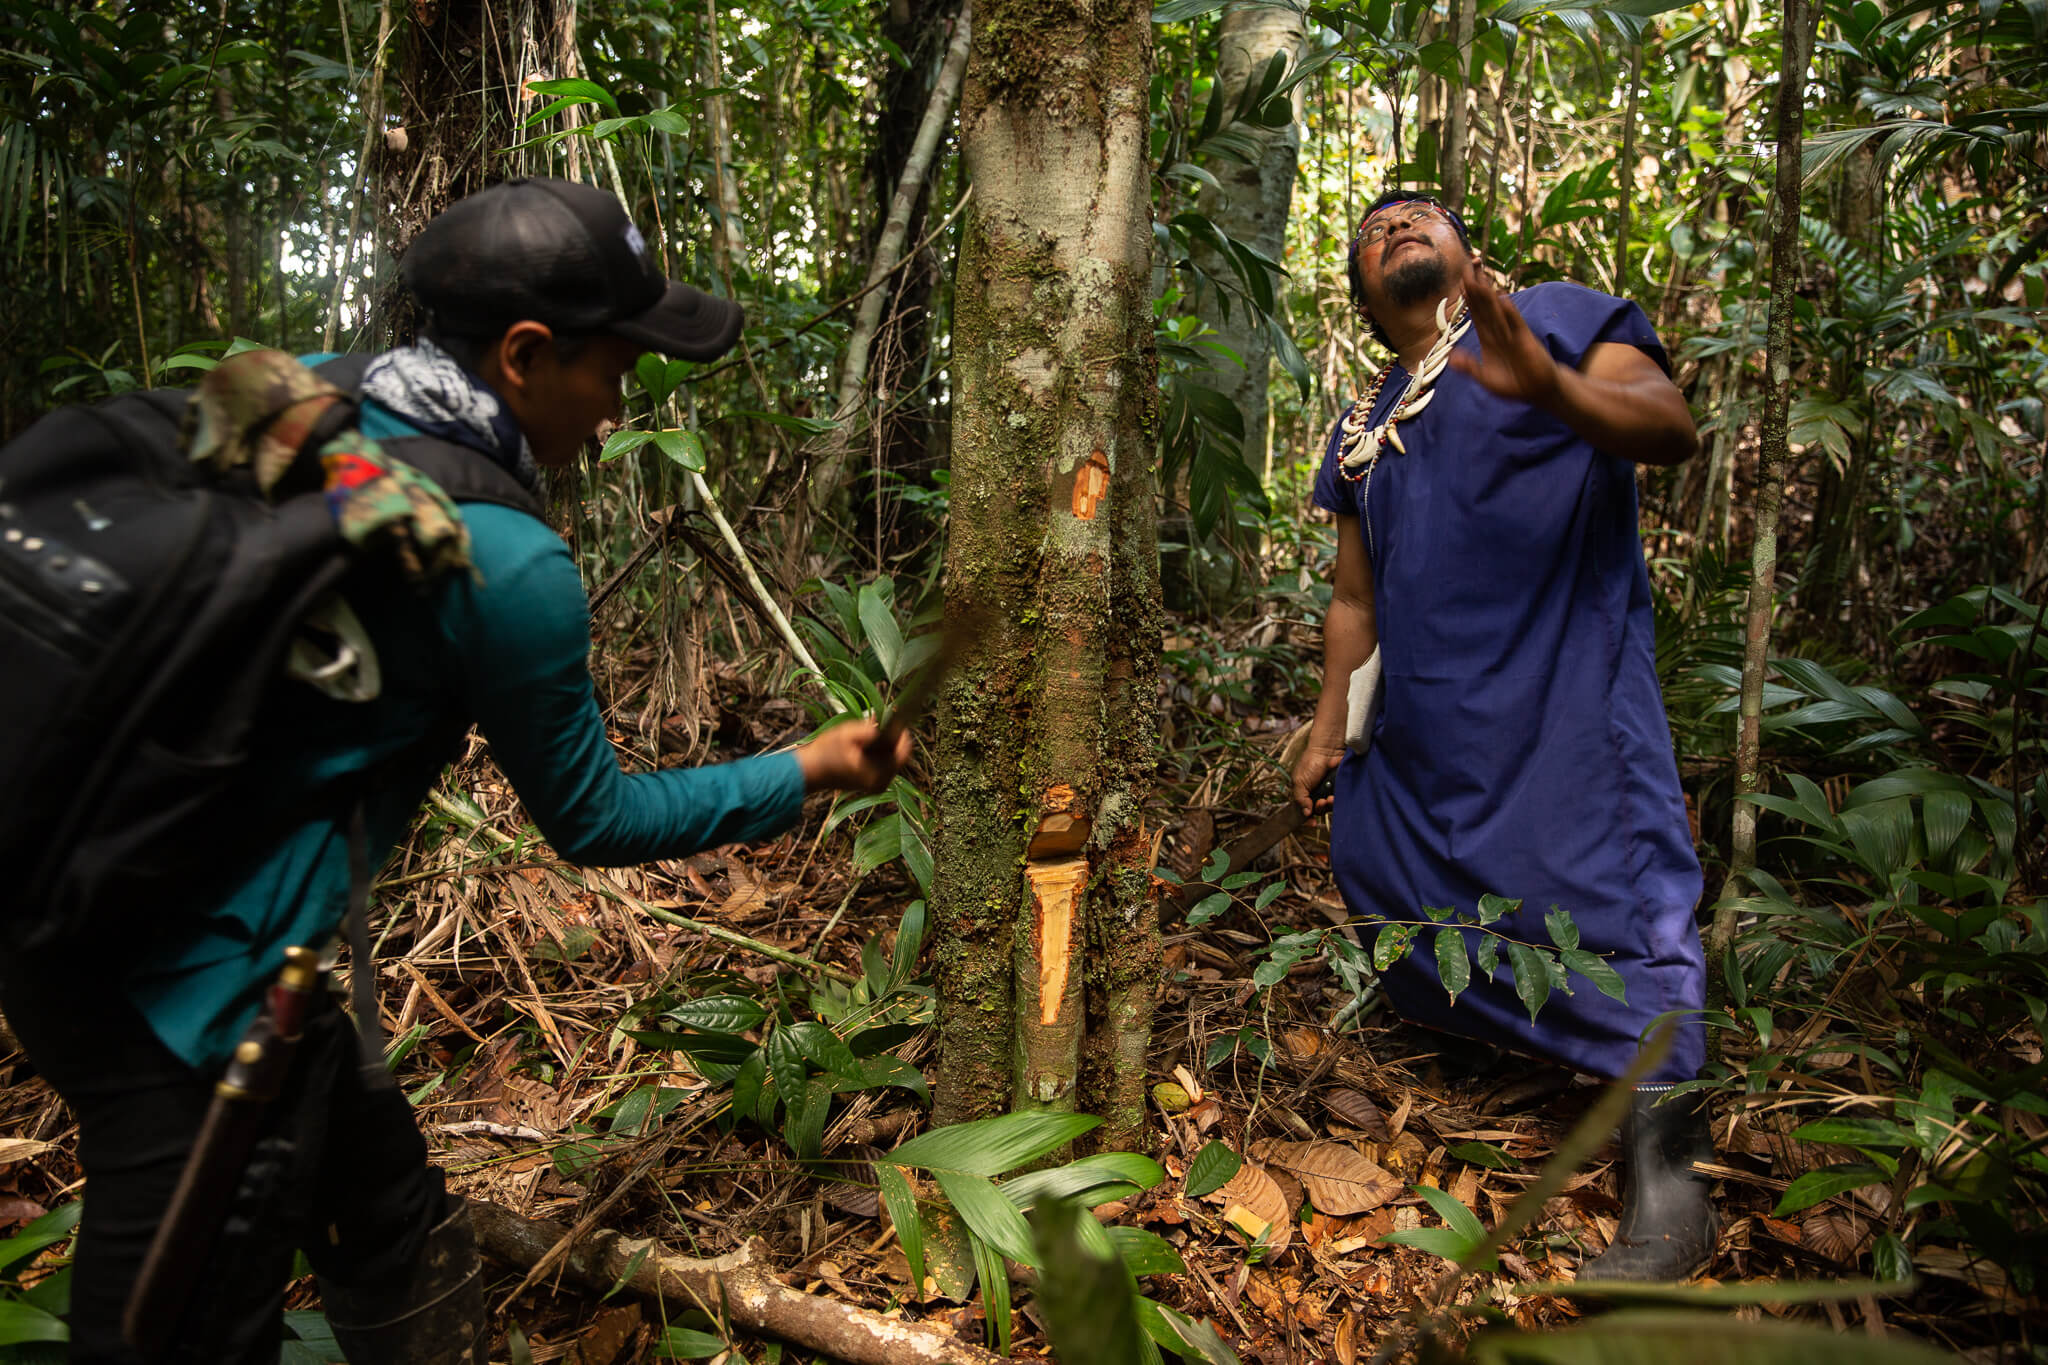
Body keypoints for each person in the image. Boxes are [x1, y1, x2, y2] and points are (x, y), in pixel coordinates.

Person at [0, 177, 910, 1362]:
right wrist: (809, 767)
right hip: (200, 1010)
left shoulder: (318, 392)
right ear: (526, 355)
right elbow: (594, 819)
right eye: (612, 368)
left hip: (57, 893)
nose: (617, 401)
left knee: (376, 1186)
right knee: (177, 1325)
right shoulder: (509, 562)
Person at [1289, 190, 1714, 1281]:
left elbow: (1666, 426)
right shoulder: (1363, 423)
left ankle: (1668, 1171)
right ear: (1359, 294)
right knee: (1371, 852)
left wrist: (1552, 388)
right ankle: (1492, 1032)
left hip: (1558, 688)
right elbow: (1353, 597)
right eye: (1372, 232)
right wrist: (1327, 719)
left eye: (1419, 215)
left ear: (1467, 252)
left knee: (1614, 895)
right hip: (1433, 718)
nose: (1394, 228)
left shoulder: (1557, 320)